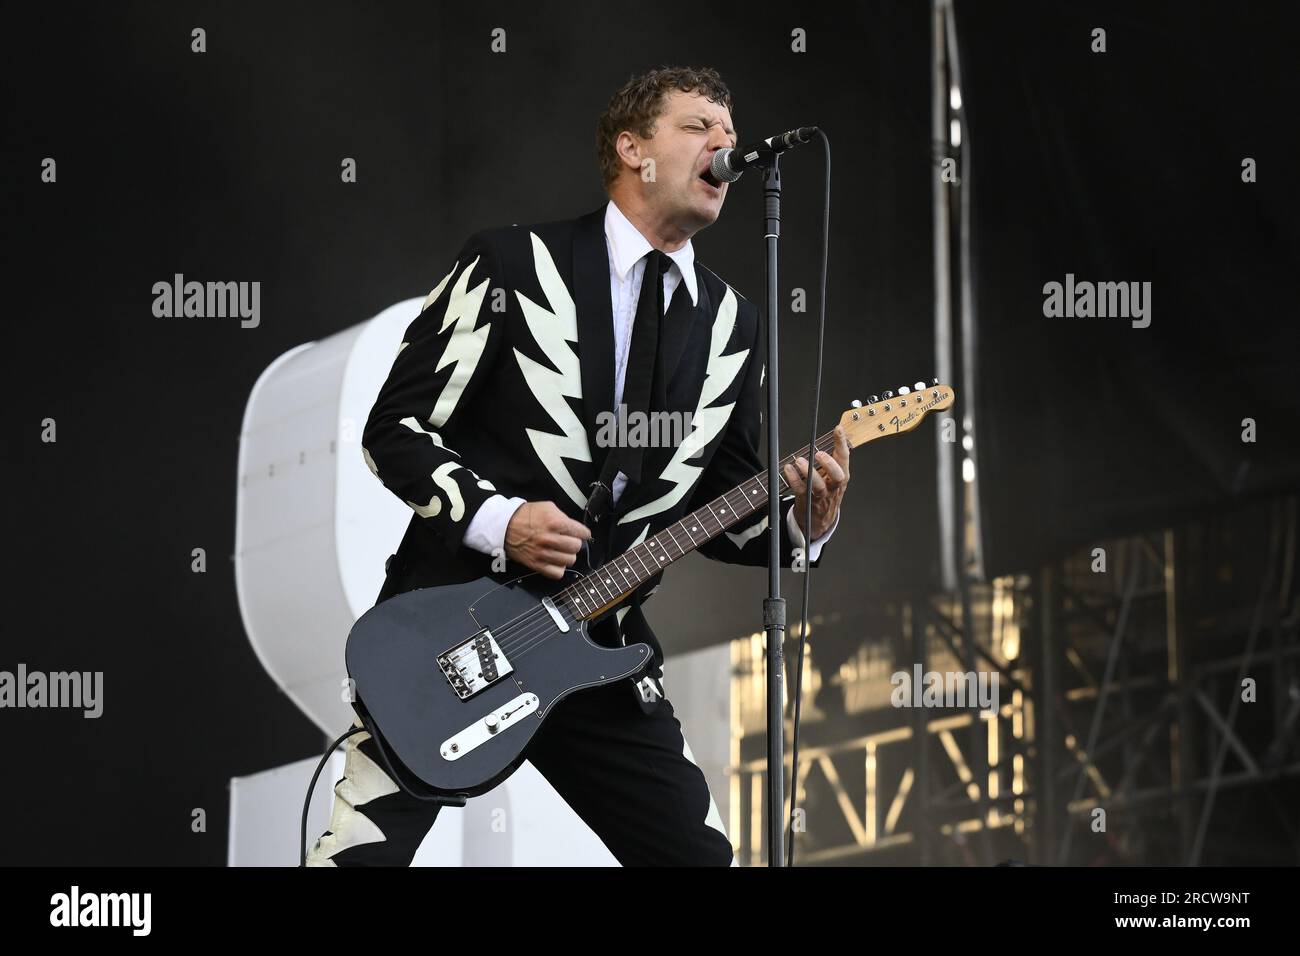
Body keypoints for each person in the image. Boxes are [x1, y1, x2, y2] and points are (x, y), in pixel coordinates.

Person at [307, 65, 850, 867]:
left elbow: (722, 507)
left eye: (732, 134)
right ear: (633, 149)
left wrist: (804, 524)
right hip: (455, 633)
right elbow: (396, 428)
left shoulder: (736, 324)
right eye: (700, 127)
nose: (727, 146)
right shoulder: (510, 266)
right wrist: (503, 521)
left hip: (602, 650)